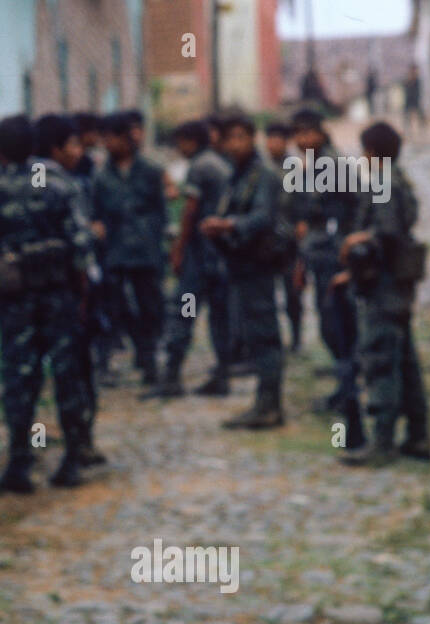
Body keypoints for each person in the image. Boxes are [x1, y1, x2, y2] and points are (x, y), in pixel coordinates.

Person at [0, 116, 99, 492]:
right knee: (66, 375)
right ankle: (71, 459)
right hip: (60, 295)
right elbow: (82, 243)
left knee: (19, 378)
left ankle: (20, 464)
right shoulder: (60, 184)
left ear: (0, 150)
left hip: (15, 298)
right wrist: (83, 290)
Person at [339, 121, 430, 465]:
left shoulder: (382, 182)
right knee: (405, 360)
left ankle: (382, 442)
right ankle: (418, 436)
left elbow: (386, 234)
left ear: (372, 152)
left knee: (380, 360)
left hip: (384, 286)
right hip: (398, 285)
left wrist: (357, 241)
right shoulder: (399, 179)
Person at [200, 112, 285, 429]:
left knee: (265, 335)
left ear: (252, 139)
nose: (235, 145)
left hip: (258, 263)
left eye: (241, 137)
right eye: (229, 138)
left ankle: (269, 405)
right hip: (240, 264)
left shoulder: (263, 175)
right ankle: (265, 403)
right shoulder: (235, 176)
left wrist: (229, 224)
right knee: (253, 334)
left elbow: (263, 217)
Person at [33, 114, 107, 465]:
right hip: (67, 294)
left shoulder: (13, 180)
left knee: (27, 372)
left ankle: (24, 454)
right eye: (73, 144)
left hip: (25, 297)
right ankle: (79, 445)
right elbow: (81, 246)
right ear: (56, 148)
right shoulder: (65, 185)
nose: (80, 151)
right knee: (75, 369)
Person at [289, 107, 362, 441]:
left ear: (321, 132)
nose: (304, 140)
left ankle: (351, 393)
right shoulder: (309, 168)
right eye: (298, 135)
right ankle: (344, 387)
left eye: (309, 133)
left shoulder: (335, 165)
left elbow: (358, 208)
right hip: (319, 259)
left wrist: (349, 254)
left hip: (336, 261)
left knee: (340, 326)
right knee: (329, 325)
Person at [149, 119, 233, 398]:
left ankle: (172, 375)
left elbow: (189, 211)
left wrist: (179, 249)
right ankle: (223, 374)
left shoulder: (199, 167)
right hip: (220, 255)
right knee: (220, 317)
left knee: (185, 310)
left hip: (200, 255)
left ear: (191, 141)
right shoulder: (219, 163)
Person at [91, 112, 168, 386]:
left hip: (145, 251)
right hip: (115, 253)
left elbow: (161, 212)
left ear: (126, 138)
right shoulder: (101, 177)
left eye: (112, 138)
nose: (108, 144)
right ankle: (121, 355)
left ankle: (149, 361)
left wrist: (152, 238)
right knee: (117, 308)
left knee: (150, 306)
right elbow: (96, 212)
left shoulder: (150, 171)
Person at [264, 120, 303, 352]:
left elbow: (301, 202)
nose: (272, 144)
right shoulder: (261, 167)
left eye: (277, 139)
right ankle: (271, 339)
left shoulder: (295, 168)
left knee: (292, 292)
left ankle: (296, 336)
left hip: (289, 239)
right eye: (269, 139)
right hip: (267, 239)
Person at [402, 65, 426, 132]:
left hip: (415, 100)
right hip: (409, 100)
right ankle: (407, 129)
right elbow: (405, 88)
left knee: (420, 115)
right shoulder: (407, 80)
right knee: (407, 115)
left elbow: (419, 90)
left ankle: (422, 129)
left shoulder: (417, 80)